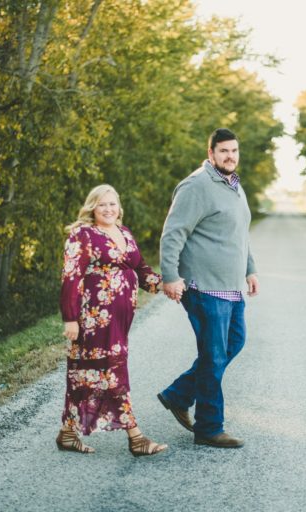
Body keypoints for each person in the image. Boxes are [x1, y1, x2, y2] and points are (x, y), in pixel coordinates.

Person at [157, 128, 259, 448]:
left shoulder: (233, 186)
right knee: (213, 356)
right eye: (224, 151)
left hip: (230, 287)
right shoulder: (197, 185)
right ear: (211, 152)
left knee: (233, 344)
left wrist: (250, 269)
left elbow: (240, 234)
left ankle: (178, 394)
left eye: (235, 150)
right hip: (203, 286)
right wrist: (170, 276)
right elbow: (173, 233)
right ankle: (209, 427)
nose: (230, 156)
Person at [57, 184, 168, 457]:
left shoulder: (125, 233)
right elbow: (71, 278)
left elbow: (140, 269)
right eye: (102, 204)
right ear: (92, 207)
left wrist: (165, 285)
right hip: (94, 319)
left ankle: (68, 434)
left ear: (119, 207)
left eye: (112, 204)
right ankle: (136, 437)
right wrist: (70, 319)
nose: (108, 209)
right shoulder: (82, 235)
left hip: (120, 319)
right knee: (111, 372)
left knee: (86, 373)